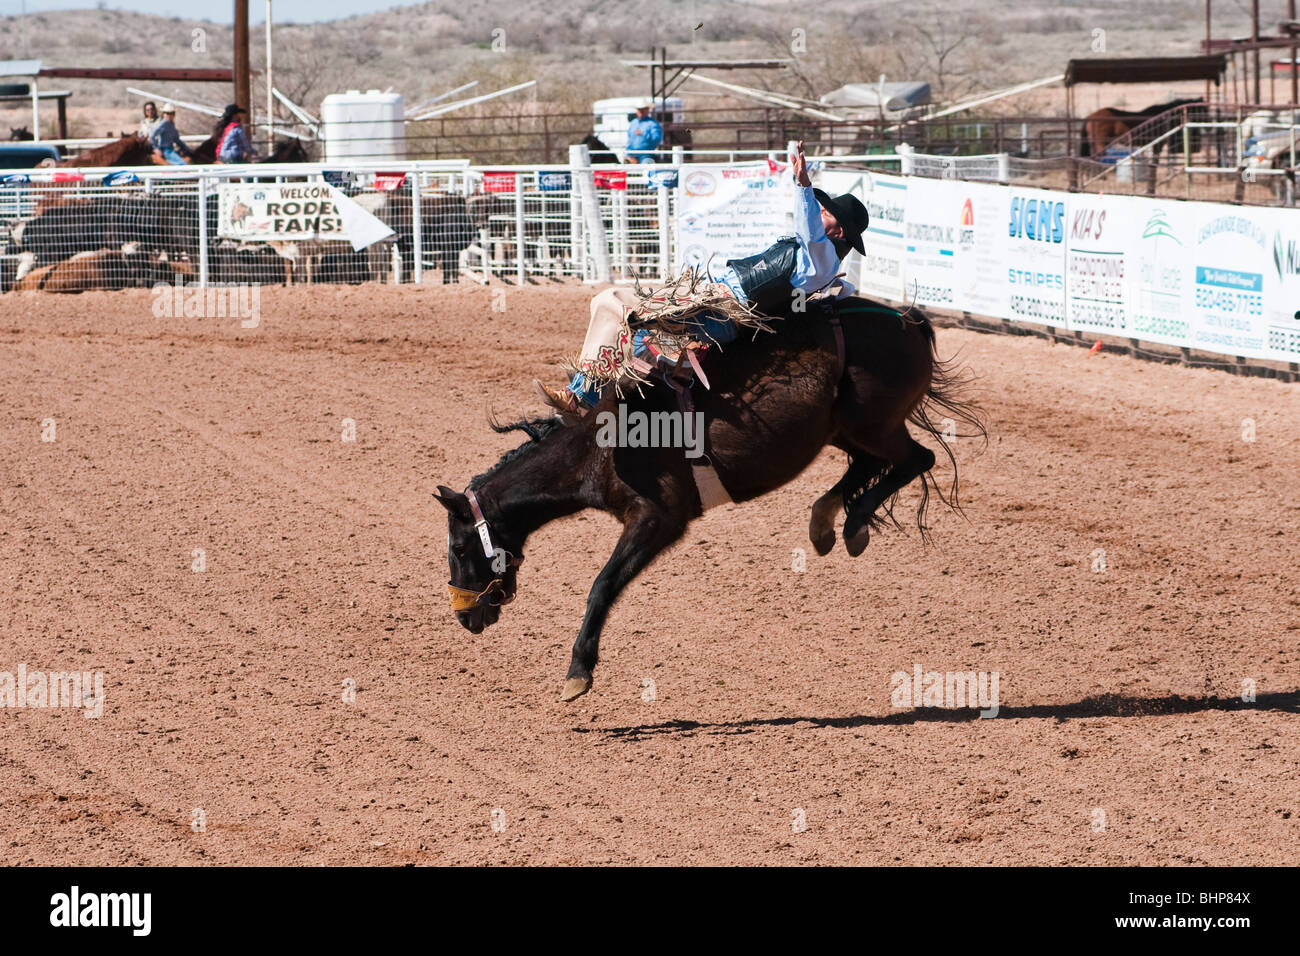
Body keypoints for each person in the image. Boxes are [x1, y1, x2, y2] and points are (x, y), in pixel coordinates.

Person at [536, 140, 869, 414]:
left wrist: (804, 184)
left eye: (826, 214)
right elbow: (835, 285)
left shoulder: (821, 253)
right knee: (618, 310)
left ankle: (583, 398)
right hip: (718, 300)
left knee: (630, 321)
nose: (819, 215)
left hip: (723, 309)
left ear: (839, 230)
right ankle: (590, 395)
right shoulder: (823, 262)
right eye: (821, 210)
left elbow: (808, 229)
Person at [624, 100, 663, 164]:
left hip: (646, 154)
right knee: (628, 171)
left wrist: (644, 134)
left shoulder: (652, 124)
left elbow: (657, 139)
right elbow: (630, 138)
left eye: (642, 109)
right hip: (632, 153)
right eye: (639, 109)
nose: (640, 111)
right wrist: (628, 151)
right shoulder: (633, 123)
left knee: (646, 170)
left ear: (647, 110)